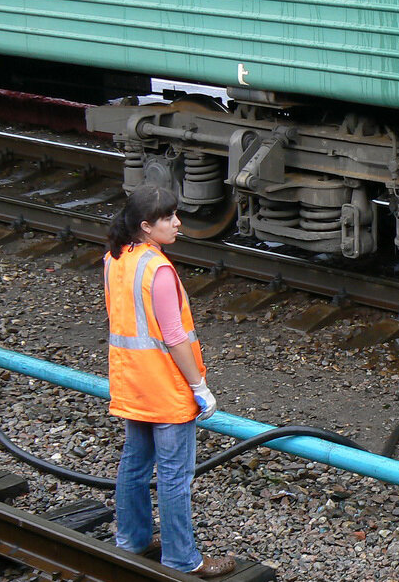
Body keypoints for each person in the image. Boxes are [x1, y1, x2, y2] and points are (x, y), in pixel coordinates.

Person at [104, 184, 236, 578]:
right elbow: (175, 337)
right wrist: (199, 386)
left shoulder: (115, 258)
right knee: (175, 477)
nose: (177, 223)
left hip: (132, 381)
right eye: (168, 218)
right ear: (146, 226)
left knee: (134, 465)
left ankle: (132, 541)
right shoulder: (158, 269)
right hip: (166, 388)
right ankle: (183, 559)